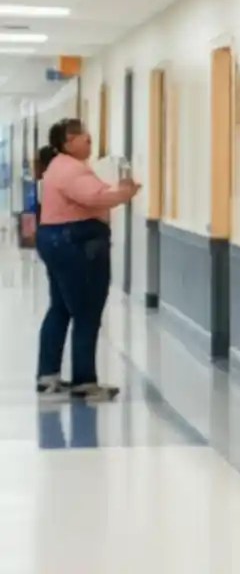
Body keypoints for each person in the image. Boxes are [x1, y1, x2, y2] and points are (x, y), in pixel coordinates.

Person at [35, 118, 140, 401]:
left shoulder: (61, 167)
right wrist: (124, 193)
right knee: (86, 312)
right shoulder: (70, 170)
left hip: (57, 240)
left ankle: (48, 377)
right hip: (76, 243)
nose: (89, 140)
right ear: (68, 141)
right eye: (84, 137)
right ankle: (84, 381)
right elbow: (94, 197)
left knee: (60, 308)